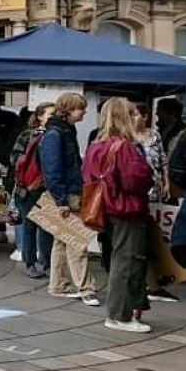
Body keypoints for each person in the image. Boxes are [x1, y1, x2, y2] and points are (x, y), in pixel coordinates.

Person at [84, 98, 154, 333]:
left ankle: (124, 311)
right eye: (133, 113)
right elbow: (137, 180)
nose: (138, 118)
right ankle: (119, 315)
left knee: (120, 259)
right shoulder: (124, 147)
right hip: (127, 209)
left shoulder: (96, 144)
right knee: (127, 261)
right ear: (123, 117)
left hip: (107, 208)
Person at [39, 92, 99, 305]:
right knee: (77, 241)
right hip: (67, 194)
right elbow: (52, 170)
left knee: (63, 241)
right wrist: (61, 200)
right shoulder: (57, 134)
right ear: (70, 110)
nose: (84, 112)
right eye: (81, 108)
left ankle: (59, 285)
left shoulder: (60, 131)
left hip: (66, 192)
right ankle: (86, 288)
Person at [10, 102, 55, 280]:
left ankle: (41, 263)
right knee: (31, 227)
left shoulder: (35, 135)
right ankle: (32, 262)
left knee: (45, 227)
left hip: (34, 188)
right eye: (50, 114)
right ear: (40, 116)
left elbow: (15, 159)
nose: (53, 117)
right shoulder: (29, 136)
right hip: (30, 188)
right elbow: (15, 159)